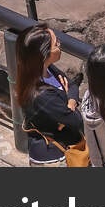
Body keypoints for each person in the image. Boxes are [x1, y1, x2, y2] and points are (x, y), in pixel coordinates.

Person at [14, 22, 86, 167]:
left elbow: (71, 85)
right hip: (55, 157)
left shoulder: (43, 69)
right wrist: (71, 101)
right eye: (55, 44)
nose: (59, 44)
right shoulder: (42, 95)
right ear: (43, 54)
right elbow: (76, 120)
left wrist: (68, 101)